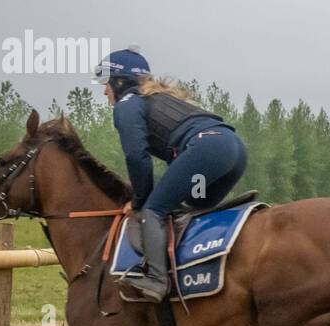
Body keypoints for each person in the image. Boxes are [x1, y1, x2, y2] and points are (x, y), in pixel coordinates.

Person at [92, 47, 248, 303]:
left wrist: (140, 202)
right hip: (233, 150)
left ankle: (157, 280)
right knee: (193, 206)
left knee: (153, 210)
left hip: (208, 148)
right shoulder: (155, 99)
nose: (104, 91)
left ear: (120, 82)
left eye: (106, 83)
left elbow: (137, 157)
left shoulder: (127, 105)